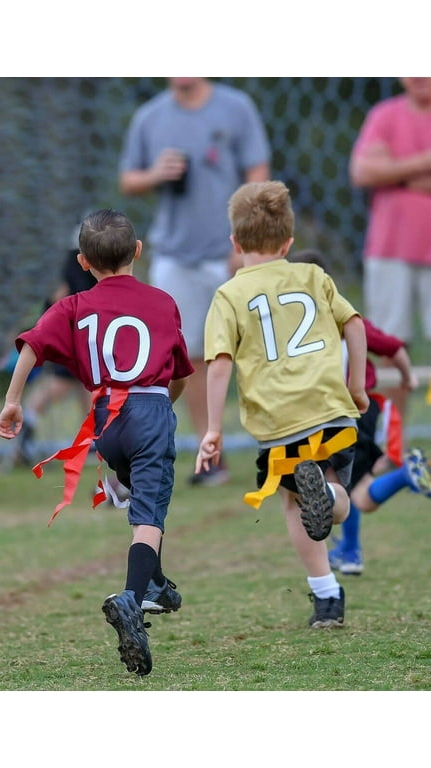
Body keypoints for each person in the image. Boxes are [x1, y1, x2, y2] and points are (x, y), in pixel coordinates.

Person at [0, 209, 193, 677]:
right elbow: (181, 372)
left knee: (138, 498)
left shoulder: (74, 305)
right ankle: (133, 598)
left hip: (106, 421)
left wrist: (13, 402)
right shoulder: (162, 301)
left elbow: (31, 347)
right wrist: (166, 405)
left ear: (83, 262)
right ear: (138, 251)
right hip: (148, 412)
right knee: (149, 517)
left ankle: (156, 584)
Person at [195, 181, 369, 629]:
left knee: (294, 503)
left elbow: (218, 364)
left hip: (280, 423)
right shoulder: (313, 276)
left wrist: (212, 429)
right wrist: (357, 387)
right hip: (331, 409)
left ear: (235, 244)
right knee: (334, 492)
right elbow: (355, 326)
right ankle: (328, 497)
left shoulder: (230, 295)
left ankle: (326, 596)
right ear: (289, 242)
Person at [118, 77, 271, 487]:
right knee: (190, 357)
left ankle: (280, 444)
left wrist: (246, 242)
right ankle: (211, 453)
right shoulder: (150, 116)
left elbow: (257, 173)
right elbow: (128, 180)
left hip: (231, 252)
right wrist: (155, 174)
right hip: (175, 256)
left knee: (260, 349)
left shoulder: (236, 107)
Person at [288, 249, 431, 575]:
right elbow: (393, 346)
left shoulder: (295, 328)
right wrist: (407, 376)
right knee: (357, 487)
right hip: (367, 411)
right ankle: (353, 546)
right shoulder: (350, 318)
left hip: (335, 412)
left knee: (344, 489)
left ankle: (352, 551)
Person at [349, 77, 431, 421]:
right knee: (390, 347)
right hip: (389, 248)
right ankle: (392, 444)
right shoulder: (384, 115)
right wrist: (422, 164)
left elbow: (379, 171)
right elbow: (363, 171)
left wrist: (394, 170)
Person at [16, 245, 96, 466]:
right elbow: (59, 293)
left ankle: (91, 438)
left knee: (86, 382)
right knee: (63, 382)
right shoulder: (65, 257)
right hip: (73, 326)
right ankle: (26, 424)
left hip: (79, 324)